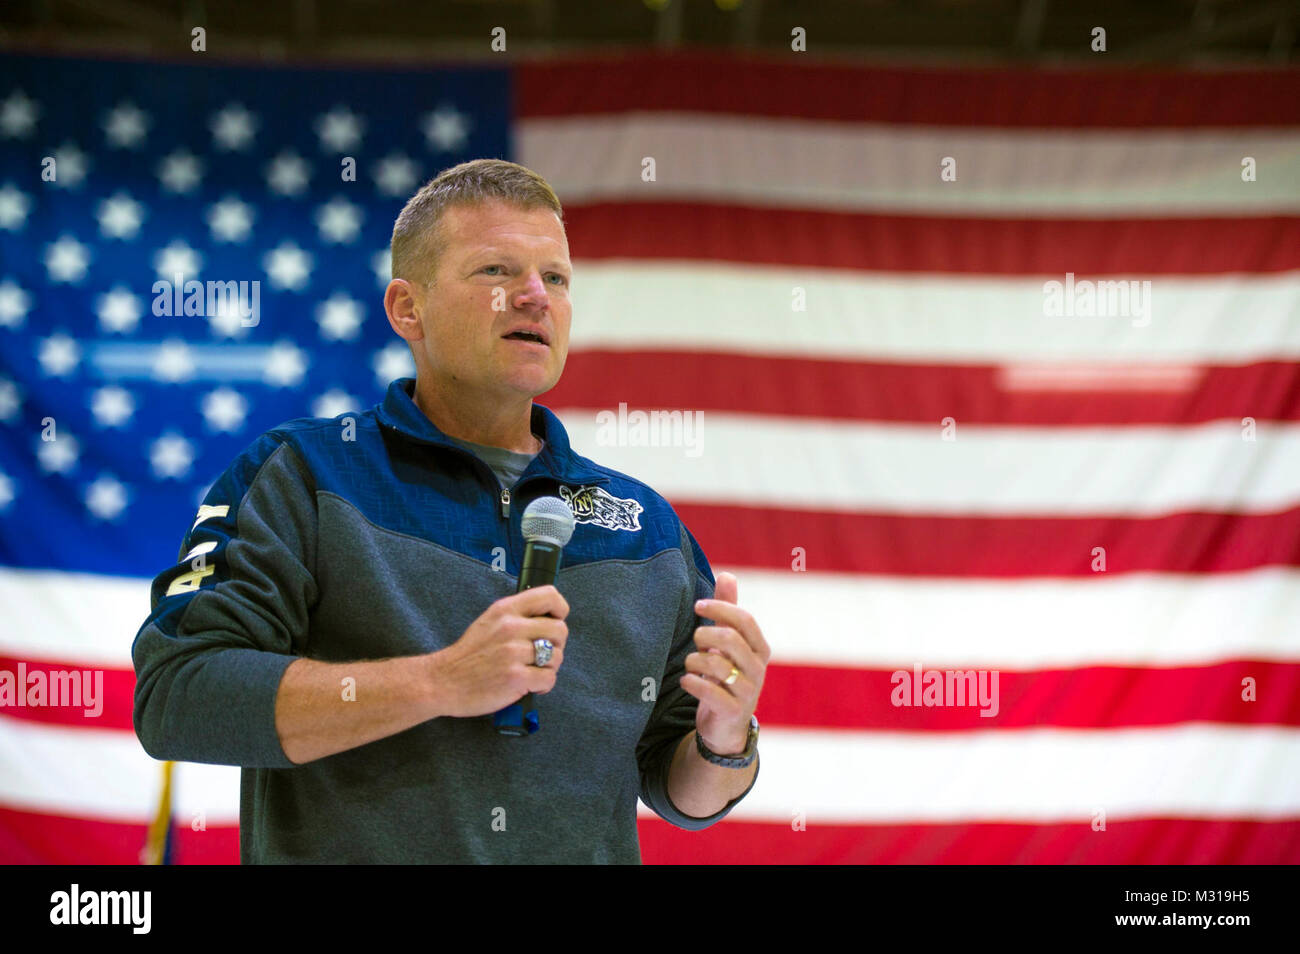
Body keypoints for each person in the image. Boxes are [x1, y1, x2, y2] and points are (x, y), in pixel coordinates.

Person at [131, 158, 769, 863]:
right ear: (409, 308)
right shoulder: (304, 477)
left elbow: (683, 793)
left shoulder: (646, 527)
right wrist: (439, 682)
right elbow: (178, 697)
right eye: (496, 271)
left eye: (555, 278)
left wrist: (723, 740)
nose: (534, 296)